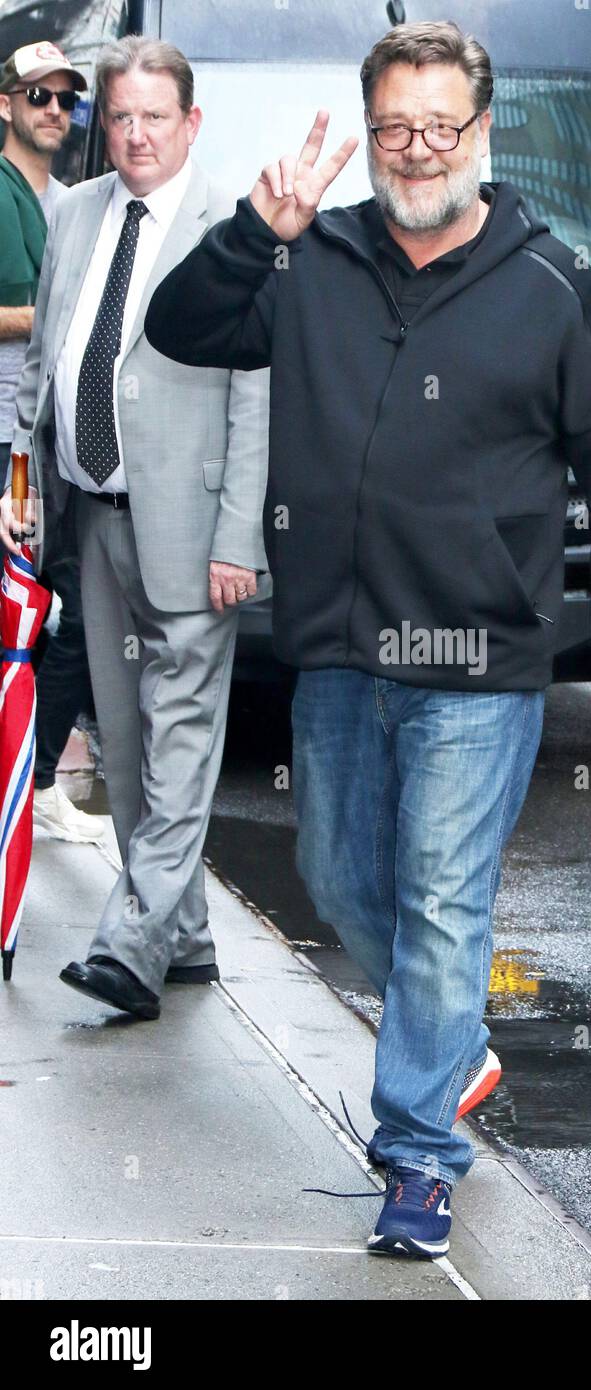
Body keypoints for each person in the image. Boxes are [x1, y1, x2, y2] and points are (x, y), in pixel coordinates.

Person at [145, 21, 591, 1259]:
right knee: (337, 880)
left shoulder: (550, 283)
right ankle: (456, 1049)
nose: (419, 148)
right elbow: (180, 328)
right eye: (395, 127)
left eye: (443, 125)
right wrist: (246, 235)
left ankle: (417, 1154)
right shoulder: (310, 258)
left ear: (482, 133)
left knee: (440, 904)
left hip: (480, 660)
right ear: (368, 130)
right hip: (338, 646)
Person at [1, 36, 269, 1016]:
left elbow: (256, 391)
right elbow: (45, 368)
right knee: (123, 740)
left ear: (191, 123)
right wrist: (26, 484)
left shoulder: (231, 227)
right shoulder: (73, 213)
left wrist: (242, 535)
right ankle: (186, 931)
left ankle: (132, 939)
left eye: (155, 116)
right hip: (90, 517)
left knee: (183, 725)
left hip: (194, 528)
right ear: (99, 124)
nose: (135, 133)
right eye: (119, 115)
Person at [0, 41, 102, 843]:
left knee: (63, 615)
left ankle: (30, 778)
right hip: (6, 437)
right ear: (6, 104)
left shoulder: (69, 201)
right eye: (39, 96)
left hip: (51, 444)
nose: (54, 112)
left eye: (66, 99)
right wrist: (63, 313)